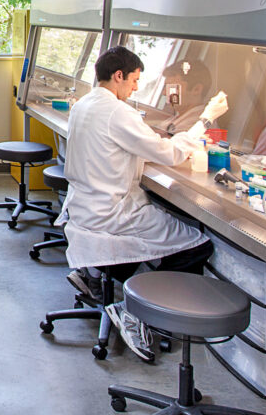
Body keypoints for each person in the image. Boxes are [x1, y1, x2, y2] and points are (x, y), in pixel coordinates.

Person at [57, 46, 228, 361]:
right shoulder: (116, 112)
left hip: (85, 209)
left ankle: (97, 275)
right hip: (113, 212)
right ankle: (136, 308)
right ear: (119, 76)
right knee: (197, 244)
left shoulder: (84, 104)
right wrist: (206, 118)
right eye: (135, 80)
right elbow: (169, 154)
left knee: (151, 234)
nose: (137, 87)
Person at [160, 58, 213, 135]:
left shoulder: (197, 124)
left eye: (172, 88)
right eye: (165, 87)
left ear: (196, 89)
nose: (164, 93)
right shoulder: (180, 116)